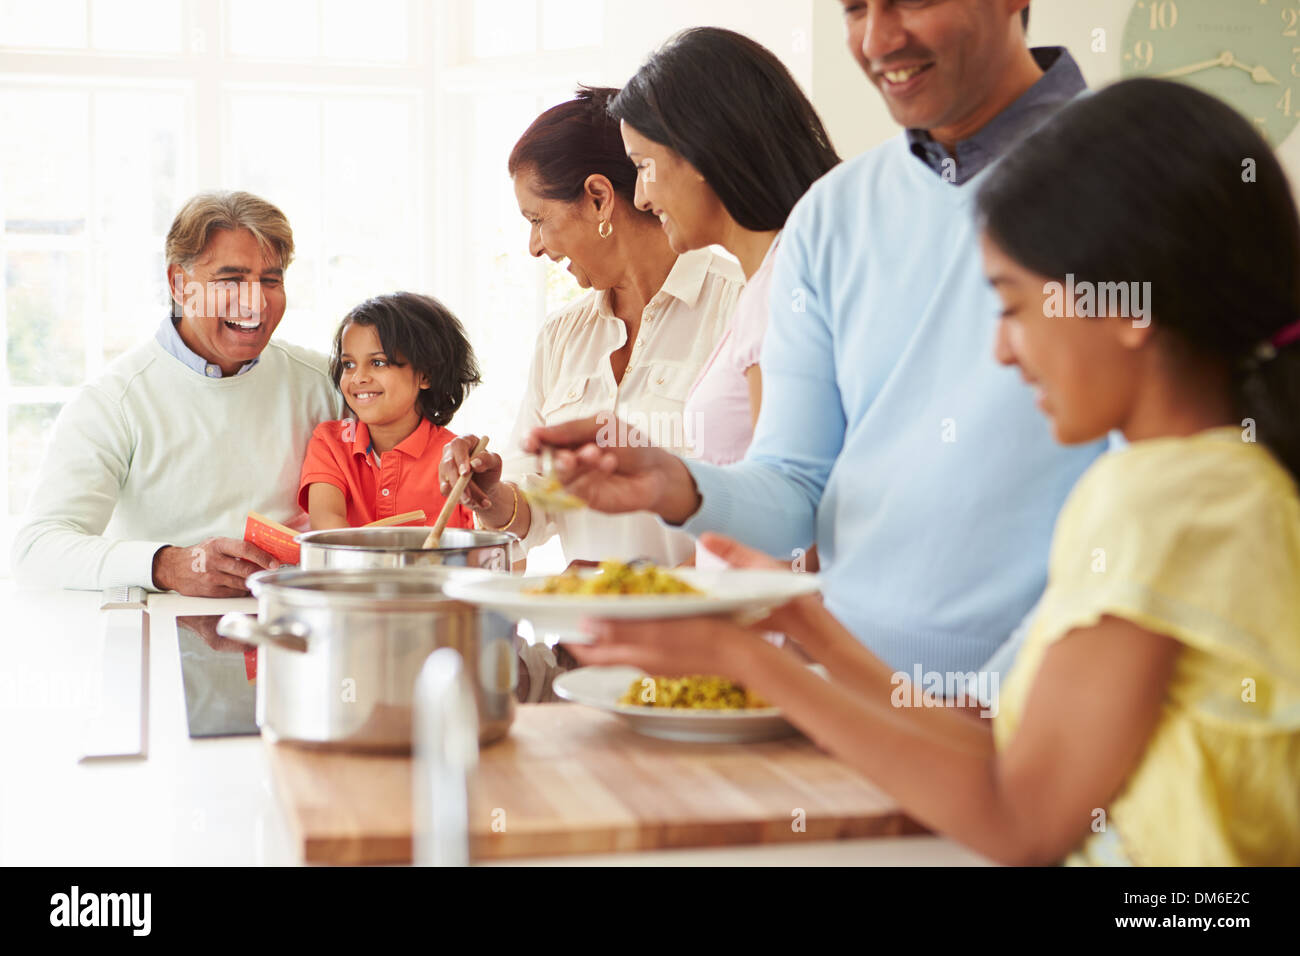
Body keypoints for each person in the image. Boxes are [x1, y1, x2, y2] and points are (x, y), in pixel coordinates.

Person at [574, 78, 1300, 866]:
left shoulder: (1163, 500)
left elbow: (1020, 818)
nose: (1002, 351)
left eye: (1015, 307)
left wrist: (744, 660)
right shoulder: (1217, 482)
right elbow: (997, 746)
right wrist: (803, 625)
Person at [529, 0, 1106, 676]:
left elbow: (1169, 484)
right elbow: (794, 492)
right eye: (856, 8)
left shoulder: (1138, 174)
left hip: (1049, 700)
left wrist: (1013, 691)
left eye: (912, 2)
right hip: (854, 700)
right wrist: (672, 482)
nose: (878, 38)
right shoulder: (834, 214)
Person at [436, 86, 744, 569]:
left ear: (599, 198)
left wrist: (633, 592)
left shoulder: (738, 307)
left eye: (538, 219)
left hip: (708, 633)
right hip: (587, 637)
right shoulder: (563, 336)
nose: (534, 246)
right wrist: (491, 495)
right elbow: (538, 500)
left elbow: (770, 510)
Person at [11, 191, 338, 596]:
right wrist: (165, 565)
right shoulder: (115, 401)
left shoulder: (326, 382)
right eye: (231, 279)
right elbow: (37, 548)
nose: (255, 302)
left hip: (296, 626)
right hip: (164, 636)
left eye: (270, 280)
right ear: (180, 284)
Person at [609, 27, 840, 472]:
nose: (639, 197)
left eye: (643, 166)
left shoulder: (783, 290)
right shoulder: (773, 280)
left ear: (697, 152)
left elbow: (791, 511)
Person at [300, 293, 479, 530]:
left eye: (378, 362)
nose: (359, 377)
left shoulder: (457, 459)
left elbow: (497, 552)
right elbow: (328, 530)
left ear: (425, 374)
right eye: (348, 364)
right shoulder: (330, 443)